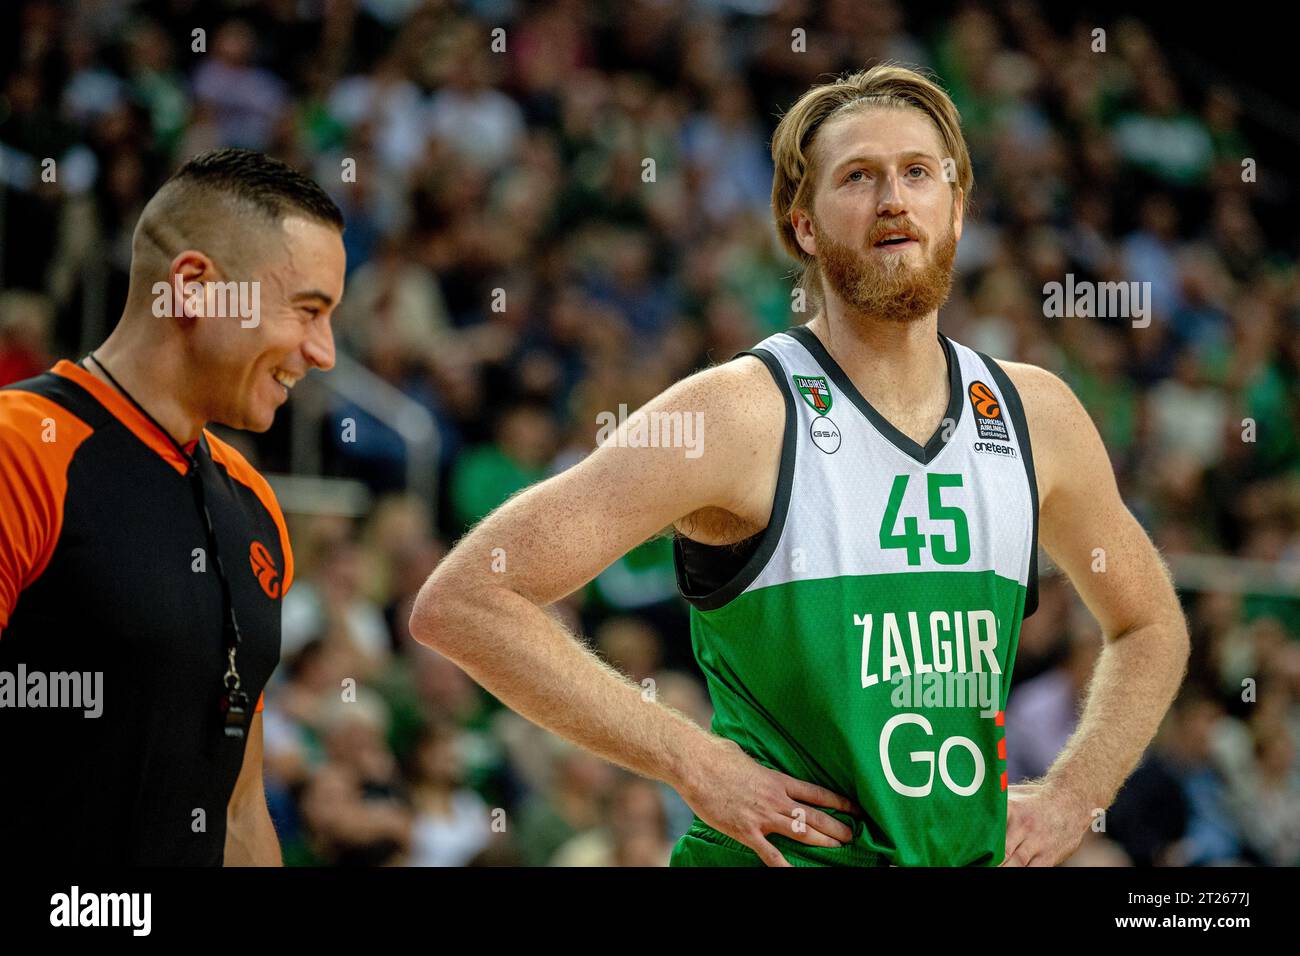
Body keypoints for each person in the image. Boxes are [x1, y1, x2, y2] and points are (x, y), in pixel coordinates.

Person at [407, 65, 1189, 867]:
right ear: (804, 225)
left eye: (918, 173)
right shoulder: (736, 415)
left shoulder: (1035, 414)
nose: (893, 198)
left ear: (957, 208)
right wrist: (692, 759)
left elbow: (1150, 623)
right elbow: (468, 598)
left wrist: (1073, 797)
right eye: (858, 177)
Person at [0, 147, 345, 865]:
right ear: (193, 287)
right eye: (307, 310)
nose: (324, 351)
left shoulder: (254, 506)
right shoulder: (20, 451)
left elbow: (240, 812)